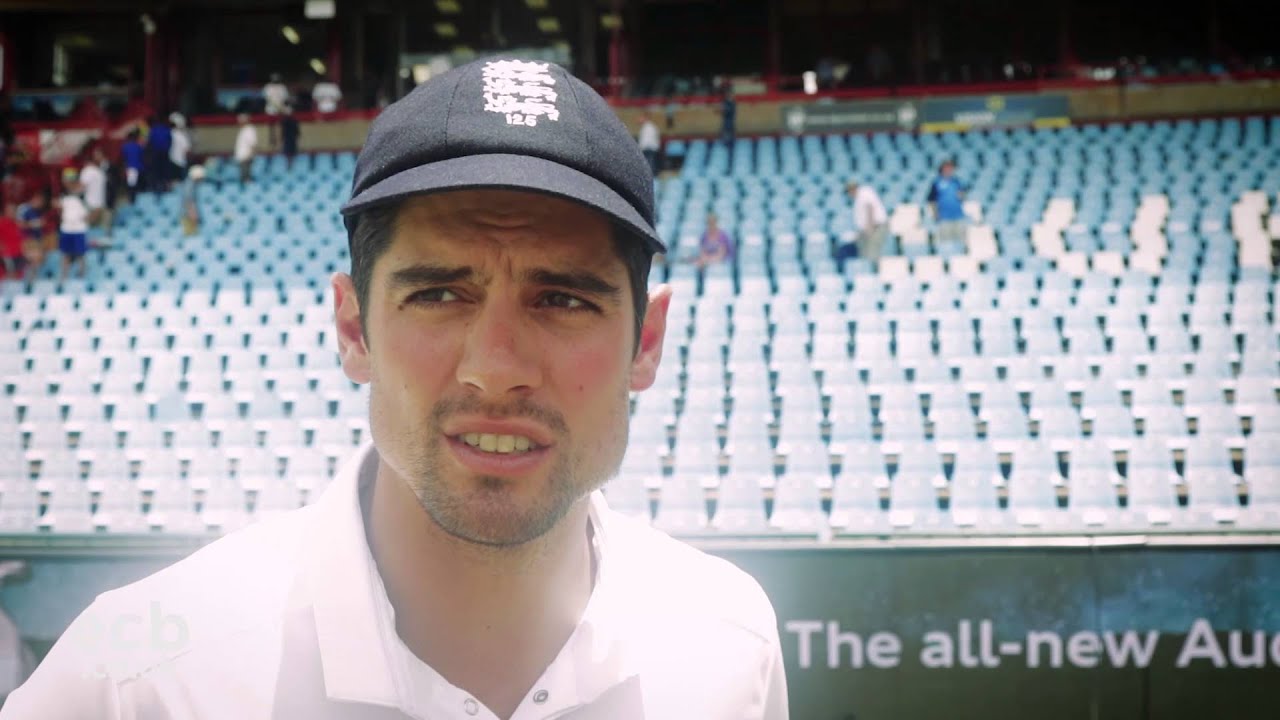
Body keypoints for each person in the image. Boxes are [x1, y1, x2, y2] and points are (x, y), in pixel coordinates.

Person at [1, 56, 788, 720]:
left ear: (645, 343)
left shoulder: (728, 646)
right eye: (439, 294)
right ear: (353, 329)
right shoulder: (139, 682)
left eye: (564, 299)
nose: (496, 365)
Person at [835, 178, 888, 269]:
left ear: (853, 188)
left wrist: (869, 228)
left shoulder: (864, 192)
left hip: (875, 228)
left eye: (849, 191)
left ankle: (874, 273)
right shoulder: (857, 199)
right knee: (864, 253)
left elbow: (870, 208)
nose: (849, 194)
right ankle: (868, 273)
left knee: (872, 253)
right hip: (866, 231)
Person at [927, 159, 968, 247]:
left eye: (951, 168)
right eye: (947, 168)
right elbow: (932, 200)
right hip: (944, 217)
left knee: (960, 241)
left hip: (958, 215)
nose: (950, 170)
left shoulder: (956, 181)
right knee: (946, 243)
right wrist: (935, 214)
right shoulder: (936, 183)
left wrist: (962, 195)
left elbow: (962, 196)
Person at [55, 179, 89, 281]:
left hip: (79, 230)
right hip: (66, 230)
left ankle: (82, 274)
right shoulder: (65, 199)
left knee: (80, 254)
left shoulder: (83, 201)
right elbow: (57, 206)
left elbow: (86, 216)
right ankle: (64, 275)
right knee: (65, 254)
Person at [17, 192, 47, 281]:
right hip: (28, 239)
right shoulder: (23, 208)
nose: (41, 204)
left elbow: (40, 224)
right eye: (40, 201)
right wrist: (33, 224)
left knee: (38, 260)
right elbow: (19, 224)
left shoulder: (39, 210)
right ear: (34, 199)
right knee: (31, 260)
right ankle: (28, 281)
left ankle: (33, 280)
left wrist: (40, 224)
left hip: (37, 238)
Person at [146, 114, 173, 191]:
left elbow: (150, 142)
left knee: (156, 171)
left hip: (156, 153)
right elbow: (170, 141)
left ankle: (156, 187)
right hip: (165, 153)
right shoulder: (167, 129)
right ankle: (165, 187)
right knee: (165, 170)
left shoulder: (153, 130)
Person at [180, 164, 205, 236]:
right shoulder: (189, 185)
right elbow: (188, 201)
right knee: (191, 236)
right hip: (188, 215)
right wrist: (193, 214)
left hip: (188, 213)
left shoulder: (191, 184)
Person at [120, 129, 145, 203]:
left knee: (131, 185)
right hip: (139, 167)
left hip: (130, 167)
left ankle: (132, 199)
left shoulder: (125, 146)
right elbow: (142, 156)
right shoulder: (138, 146)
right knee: (136, 185)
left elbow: (123, 158)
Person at [234, 114, 258, 185]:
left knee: (246, 178)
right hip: (241, 158)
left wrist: (250, 155)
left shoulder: (249, 130)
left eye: (241, 119)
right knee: (242, 178)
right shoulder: (243, 130)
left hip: (246, 157)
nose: (239, 121)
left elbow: (253, 144)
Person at [0, 202, 22, 279]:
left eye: (13, 210)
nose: (11, 212)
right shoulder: (1, 223)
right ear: (5, 212)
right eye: (9, 210)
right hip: (6, 255)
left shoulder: (19, 223)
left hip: (19, 254)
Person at [169, 112, 192, 184]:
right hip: (179, 163)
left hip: (172, 162)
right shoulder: (181, 135)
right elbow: (187, 150)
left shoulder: (171, 133)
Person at [637, 111, 661, 176]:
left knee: (650, 166)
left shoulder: (648, 127)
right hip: (649, 149)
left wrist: (640, 148)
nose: (639, 119)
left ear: (645, 118)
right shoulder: (648, 127)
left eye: (640, 117)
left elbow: (646, 141)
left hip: (648, 149)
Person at [280, 105, 301, 169]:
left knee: (291, 153)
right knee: (288, 153)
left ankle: (290, 165)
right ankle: (289, 165)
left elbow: (297, 132)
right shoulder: (286, 121)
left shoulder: (292, 121)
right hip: (289, 139)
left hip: (291, 139)